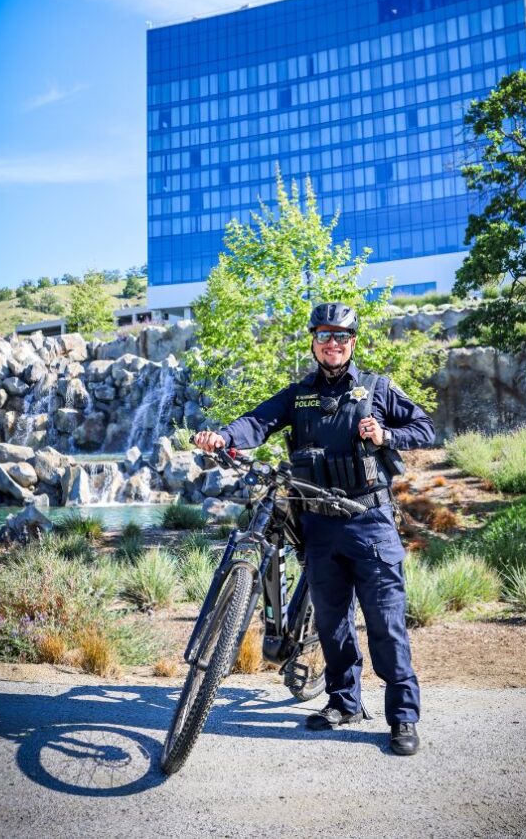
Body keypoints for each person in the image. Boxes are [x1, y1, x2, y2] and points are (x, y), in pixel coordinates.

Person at [194, 301, 435, 756]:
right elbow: (256, 422)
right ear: (313, 342)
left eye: (341, 337)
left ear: (352, 344)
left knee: (386, 624)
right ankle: (344, 703)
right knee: (332, 622)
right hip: (319, 526)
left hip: (370, 522)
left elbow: (425, 427)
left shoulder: (377, 389)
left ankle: (402, 717)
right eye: (324, 336)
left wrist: (387, 436)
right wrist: (224, 437)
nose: (333, 344)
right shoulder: (297, 394)